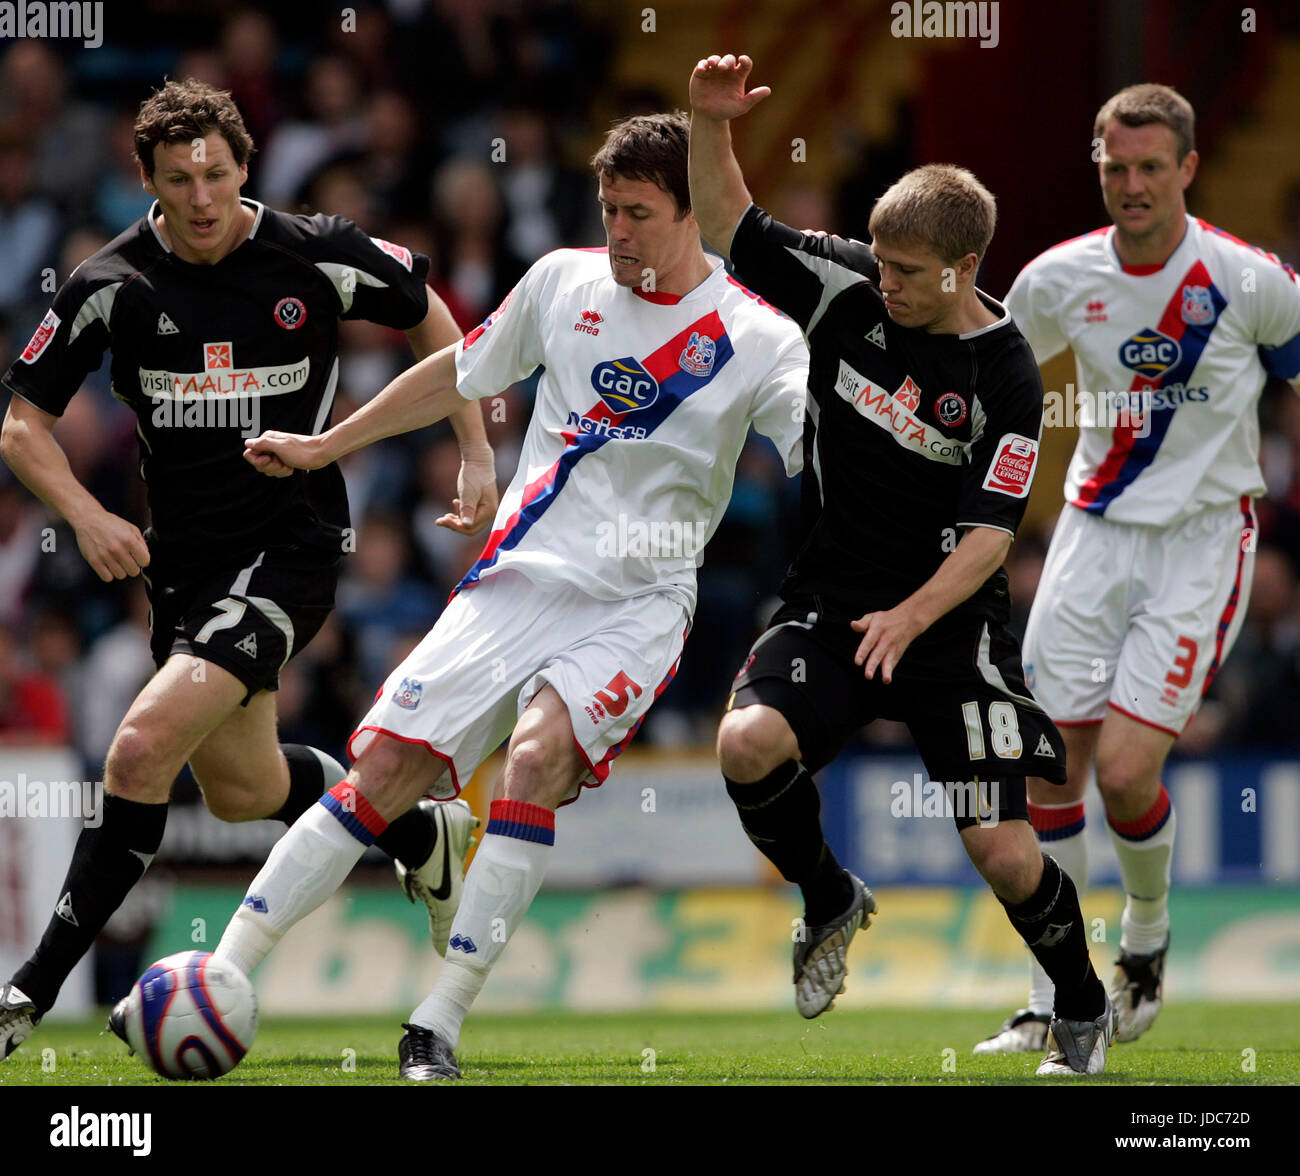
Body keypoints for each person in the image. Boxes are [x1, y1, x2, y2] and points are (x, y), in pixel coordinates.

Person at [207, 110, 811, 1081]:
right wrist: (326, 447)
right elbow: (457, 370)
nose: (617, 232)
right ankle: (224, 974)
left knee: (532, 761)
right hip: (514, 582)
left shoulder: (758, 335)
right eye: (608, 209)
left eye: (640, 214)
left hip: (637, 605)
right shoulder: (562, 282)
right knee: (387, 775)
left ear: (692, 215)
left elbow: (812, 445)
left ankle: (435, 1024)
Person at [0, 78, 497, 1060]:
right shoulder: (110, 286)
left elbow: (430, 311)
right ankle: (416, 834)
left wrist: (475, 449)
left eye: (218, 173)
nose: (200, 194)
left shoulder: (310, 253)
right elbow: (22, 425)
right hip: (184, 569)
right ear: (144, 178)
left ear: (244, 167)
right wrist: (87, 514)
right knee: (241, 787)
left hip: (294, 546)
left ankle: (23, 994)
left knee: (141, 750)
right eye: (178, 177)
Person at [690, 53, 1115, 1076]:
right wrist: (709, 124)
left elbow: (989, 535)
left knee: (1001, 852)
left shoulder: (1007, 373)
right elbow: (725, 228)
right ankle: (828, 896)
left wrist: (913, 617)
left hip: (948, 626)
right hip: (833, 605)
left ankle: (1081, 1002)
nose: (888, 287)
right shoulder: (845, 286)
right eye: (880, 266)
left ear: (963, 268)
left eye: (908, 276)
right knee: (745, 745)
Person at [975, 84, 1300, 1054]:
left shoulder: (1248, 283)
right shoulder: (1055, 279)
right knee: (1049, 770)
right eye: (1114, 168)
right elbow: (993, 381)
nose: (1130, 186)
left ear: (1188, 169)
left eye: (1150, 167)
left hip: (1203, 539)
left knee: (1122, 774)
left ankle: (1147, 941)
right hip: (1090, 530)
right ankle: (1058, 998)